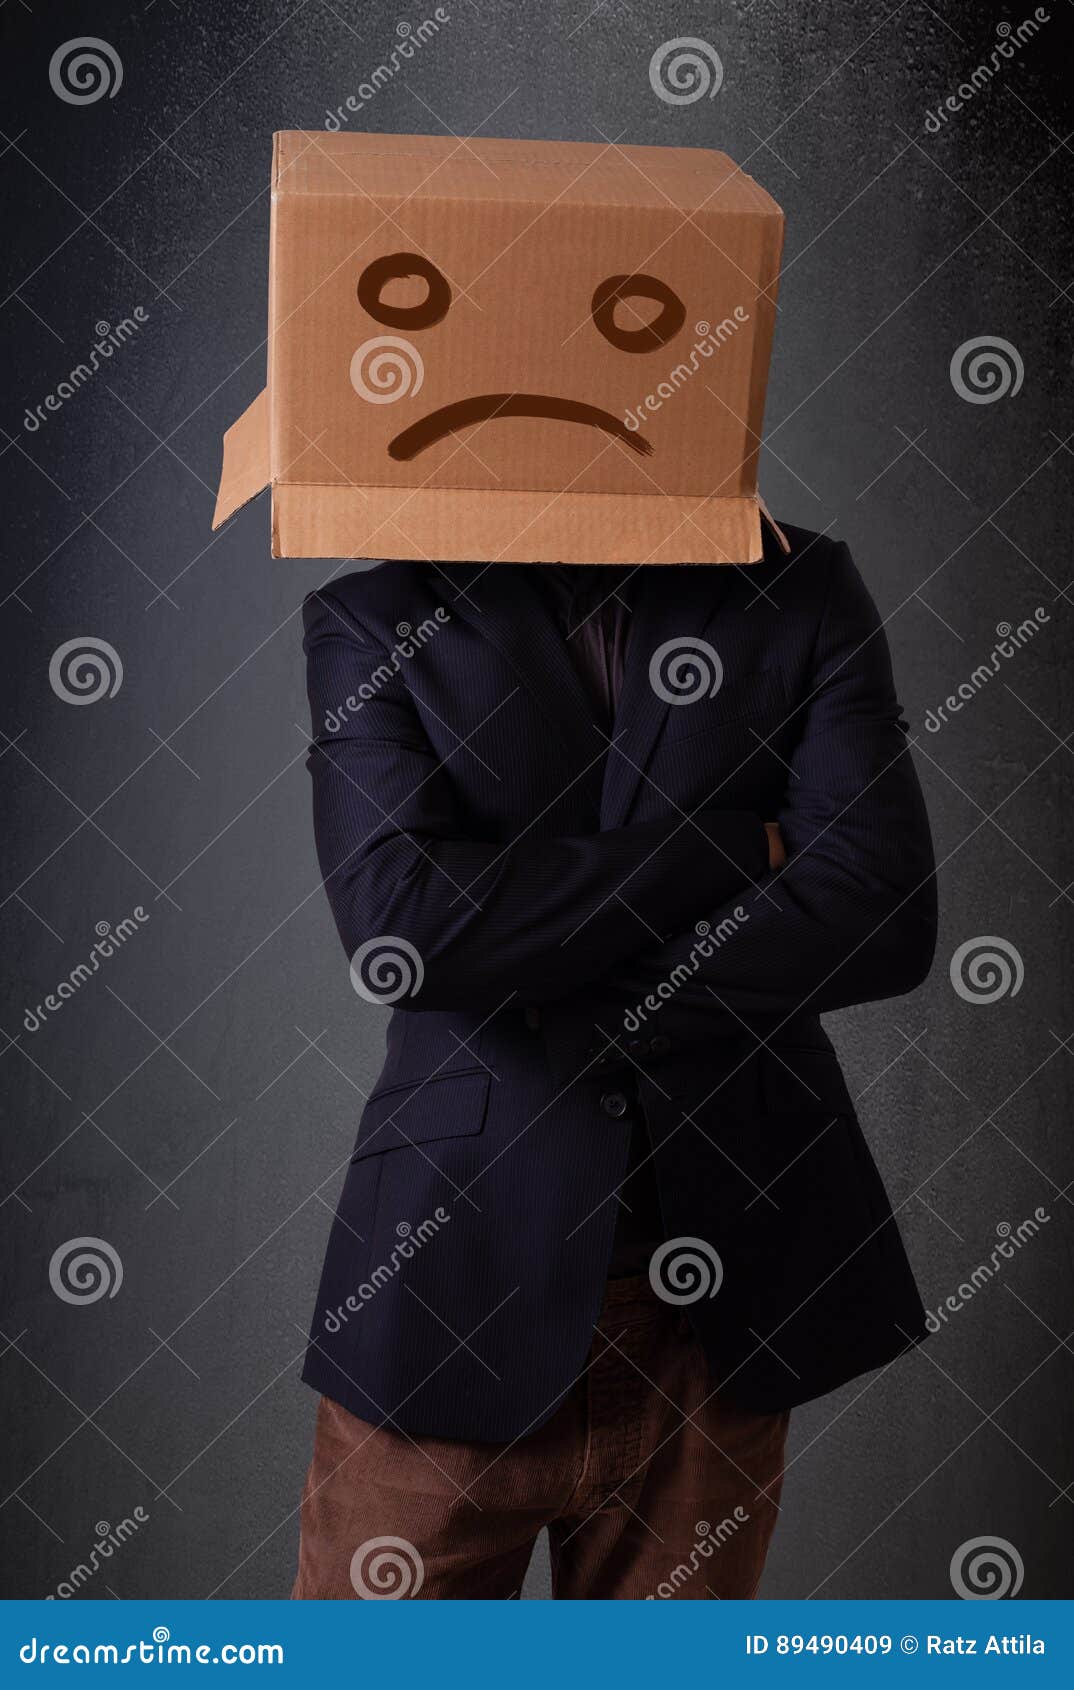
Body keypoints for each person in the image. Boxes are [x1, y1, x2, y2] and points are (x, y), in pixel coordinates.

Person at [291, 523, 937, 1599]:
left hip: (721, 1308)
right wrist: (736, 847)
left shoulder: (801, 584)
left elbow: (881, 914)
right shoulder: (376, 615)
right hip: (455, 1283)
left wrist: (536, 957)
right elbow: (406, 932)